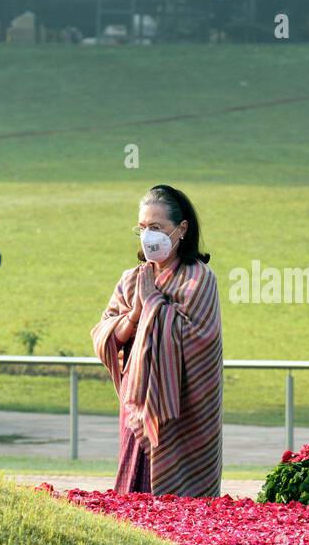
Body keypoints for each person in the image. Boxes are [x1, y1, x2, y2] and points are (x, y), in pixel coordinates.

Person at [90, 185, 223, 497]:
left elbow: (199, 339)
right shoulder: (131, 279)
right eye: (143, 228)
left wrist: (152, 305)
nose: (149, 236)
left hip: (181, 413)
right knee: (134, 496)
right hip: (137, 405)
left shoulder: (199, 279)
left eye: (157, 228)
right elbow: (105, 334)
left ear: (181, 229)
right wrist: (137, 314)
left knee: (179, 505)